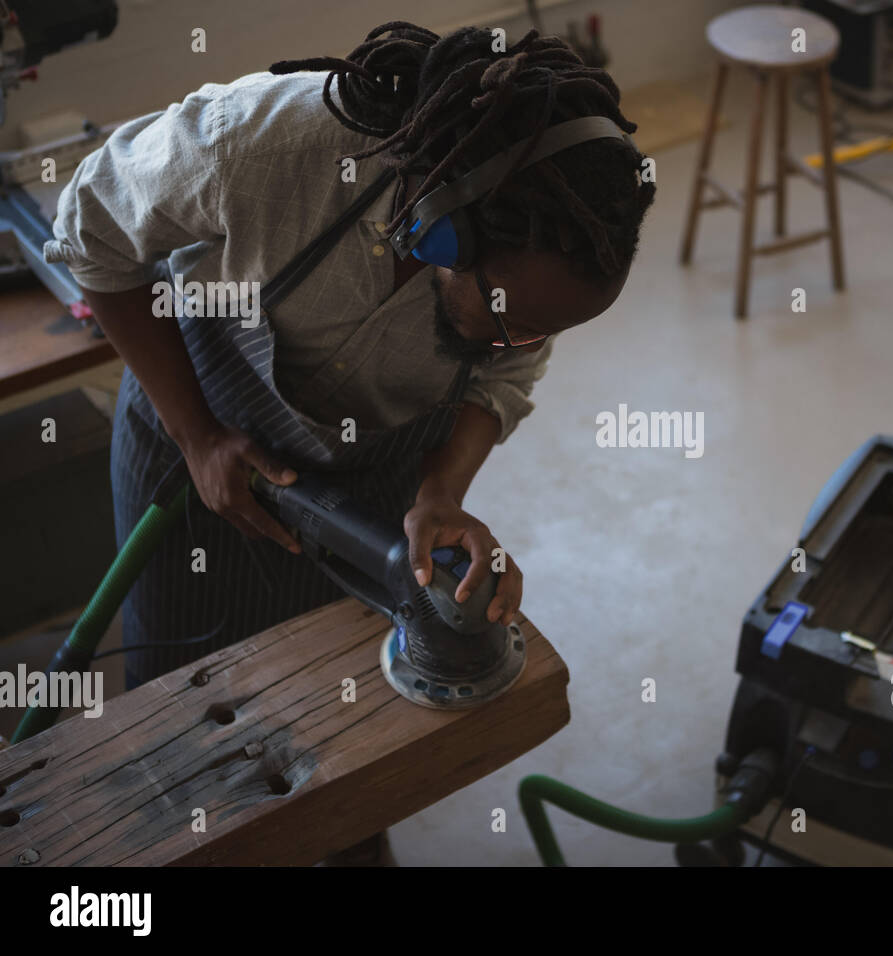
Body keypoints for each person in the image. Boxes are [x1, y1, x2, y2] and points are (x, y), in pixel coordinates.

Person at [43, 22, 655, 863]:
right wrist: (198, 435)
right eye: (517, 323)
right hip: (193, 459)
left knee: (347, 717)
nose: (525, 345)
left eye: (546, 333)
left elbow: (497, 382)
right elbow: (92, 231)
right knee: (187, 731)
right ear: (448, 230)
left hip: (378, 474)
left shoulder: (542, 254)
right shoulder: (263, 147)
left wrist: (440, 495)